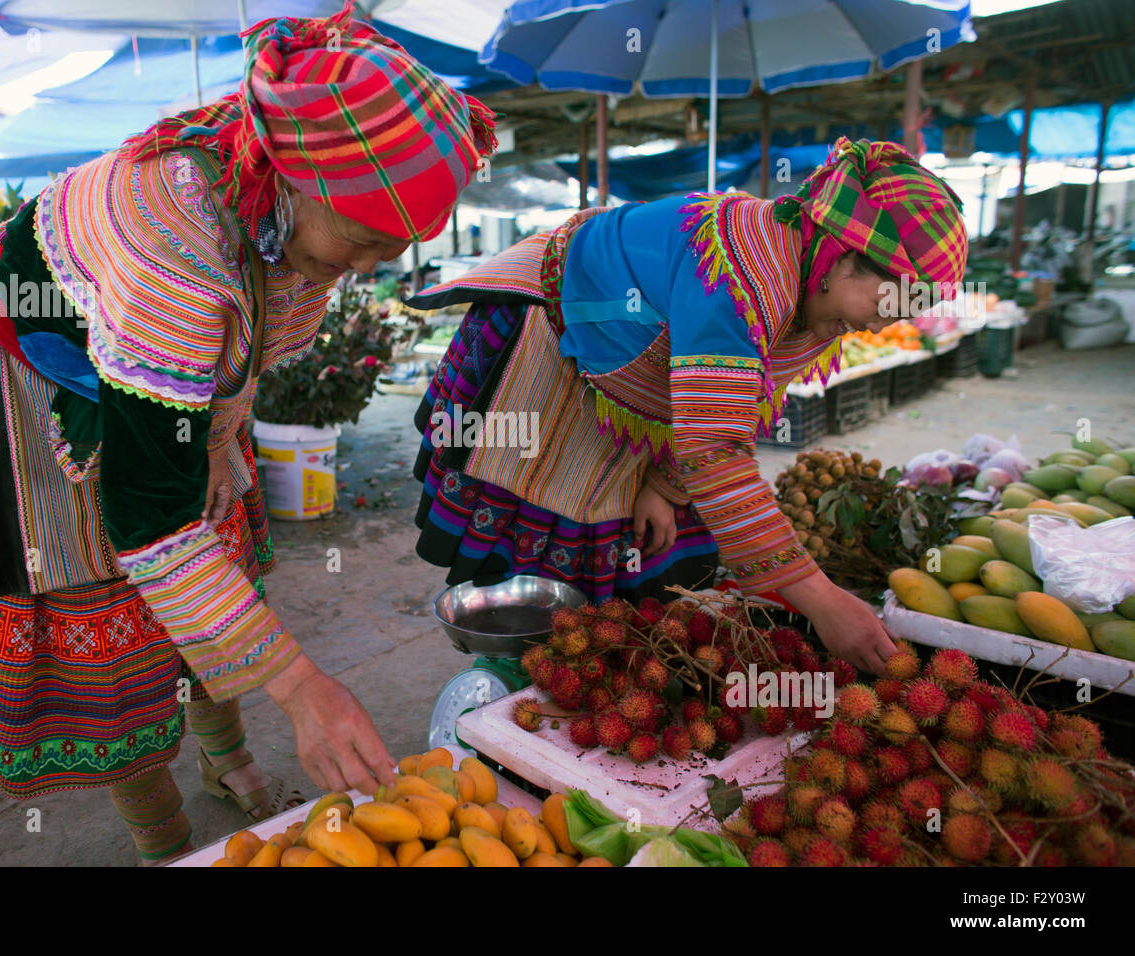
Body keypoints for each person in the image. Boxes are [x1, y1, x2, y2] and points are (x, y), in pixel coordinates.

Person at [0, 6, 496, 864]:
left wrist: (221, 433)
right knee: (111, 607)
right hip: (36, 375)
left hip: (154, 371)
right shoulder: (175, 245)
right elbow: (150, 523)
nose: (366, 271)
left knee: (219, 552)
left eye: (389, 252)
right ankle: (164, 839)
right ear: (298, 182)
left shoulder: (285, 212)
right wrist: (302, 688)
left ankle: (226, 755)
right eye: (361, 245)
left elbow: (253, 340)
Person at [407, 139, 966, 676]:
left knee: (637, 539)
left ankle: (574, 670)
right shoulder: (741, 274)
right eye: (890, 299)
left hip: (638, 376)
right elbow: (716, 449)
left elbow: (734, 411)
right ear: (841, 257)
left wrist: (665, 485)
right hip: (553, 332)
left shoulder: (817, 294)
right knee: (543, 544)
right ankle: (507, 688)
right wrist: (822, 601)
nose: (881, 323)